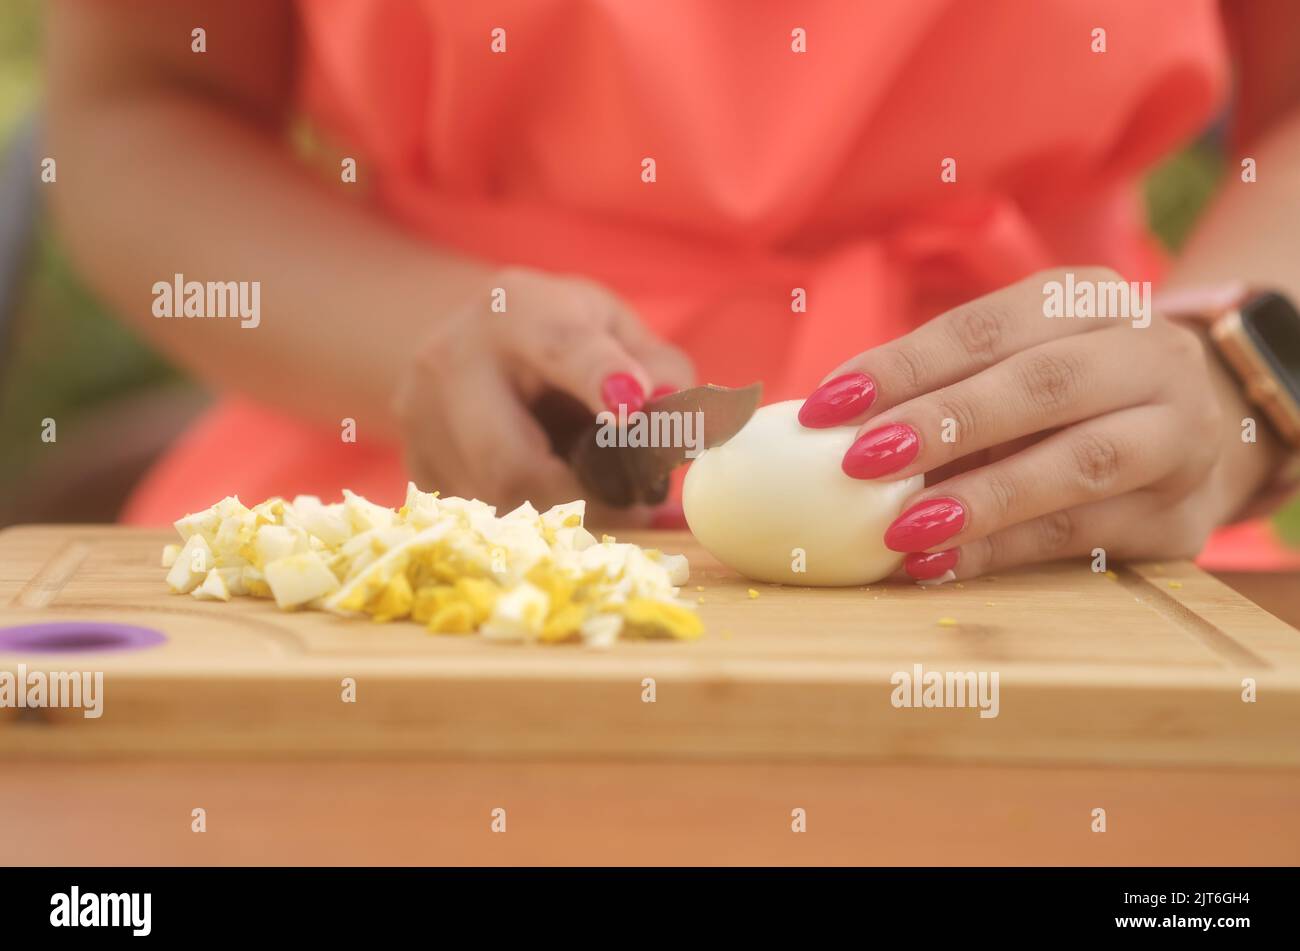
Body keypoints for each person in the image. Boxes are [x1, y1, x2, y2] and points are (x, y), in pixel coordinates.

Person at [45, 0, 1300, 580]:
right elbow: (142, 100)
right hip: (422, 504)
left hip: (1066, 494)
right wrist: (409, 337)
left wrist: (1236, 379)